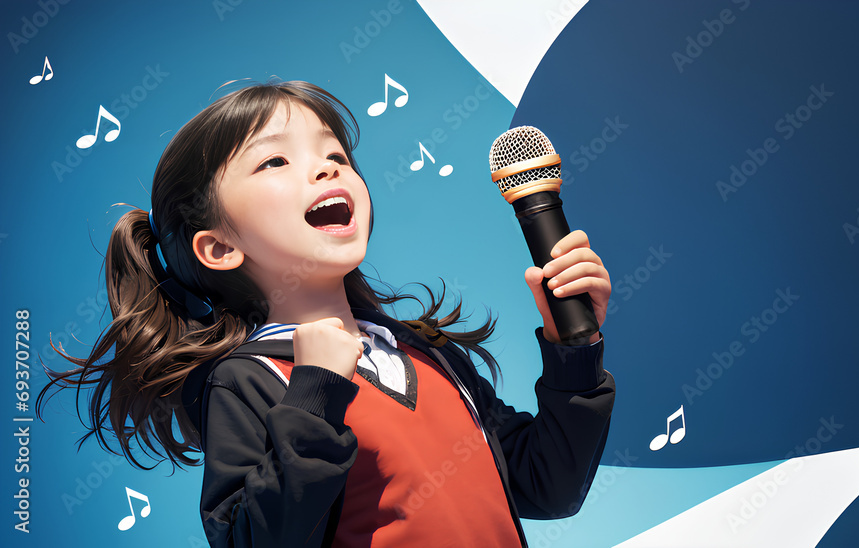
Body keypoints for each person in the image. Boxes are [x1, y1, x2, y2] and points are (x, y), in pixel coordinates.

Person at [38, 80, 615, 547]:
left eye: (335, 154)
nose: (326, 169)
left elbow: (548, 488)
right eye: (274, 161)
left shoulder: (428, 354)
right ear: (219, 247)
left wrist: (574, 348)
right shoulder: (249, 380)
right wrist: (314, 395)